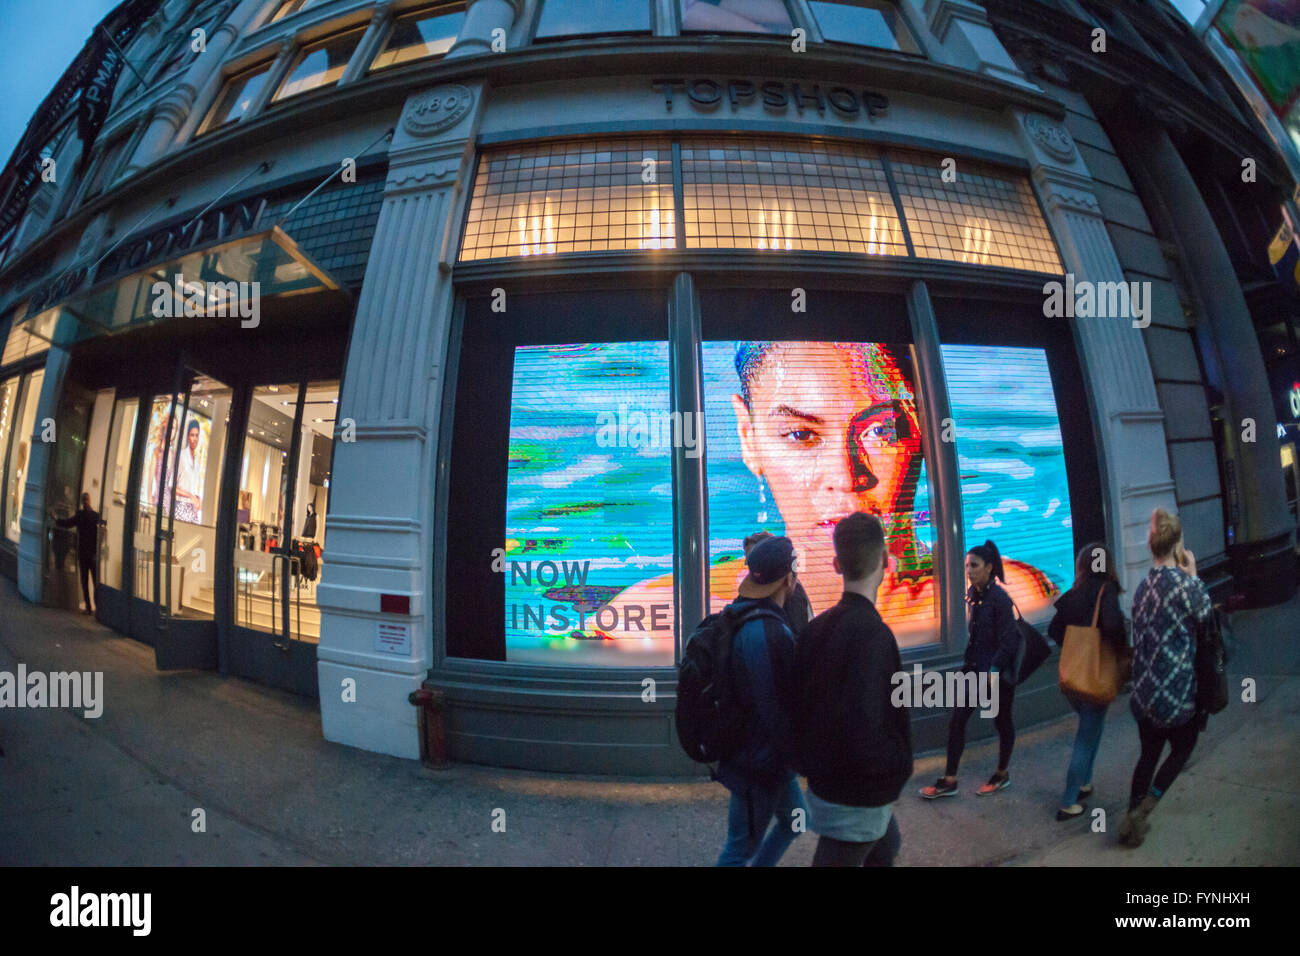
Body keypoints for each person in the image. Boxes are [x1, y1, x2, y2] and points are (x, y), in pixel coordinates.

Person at [608, 342, 1058, 645]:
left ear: (922, 432)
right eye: (801, 435)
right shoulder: (651, 619)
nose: (846, 476)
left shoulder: (1004, 597)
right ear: (748, 438)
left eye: (882, 430)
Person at [793, 512, 913, 866]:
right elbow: (867, 727)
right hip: (857, 794)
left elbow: (799, 705)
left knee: (887, 845)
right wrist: (897, 767)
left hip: (827, 785)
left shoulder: (816, 629)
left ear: (835, 564)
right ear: (885, 561)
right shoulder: (874, 635)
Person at [1119, 508, 1211, 848]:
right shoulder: (1189, 587)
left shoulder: (1142, 588)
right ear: (1178, 546)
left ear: (1151, 547)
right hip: (1176, 694)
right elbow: (1206, 621)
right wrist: (1194, 574)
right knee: (1183, 746)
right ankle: (1145, 809)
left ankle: (1130, 817)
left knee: (1148, 752)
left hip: (1143, 695)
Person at [715, 534, 807, 866]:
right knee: (740, 848)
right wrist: (803, 756)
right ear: (788, 578)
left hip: (764, 760)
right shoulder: (767, 632)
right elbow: (774, 711)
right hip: (760, 764)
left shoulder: (748, 616)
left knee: (797, 820)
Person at [920, 539, 1021, 798]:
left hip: (995, 676)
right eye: (966, 565)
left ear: (989, 567)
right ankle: (950, 780)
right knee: (957, 721)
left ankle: (1002, 773)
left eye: (974, 565)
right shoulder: (975, 596)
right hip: (975, 672)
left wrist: (995, 670)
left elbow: (1010, 640)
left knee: (1002, 723)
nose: (968, 570)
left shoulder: (999, 598)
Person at [1048, 541, 1127, 820]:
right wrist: (1119, 653)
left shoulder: (1075, 593)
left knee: (1092, 727)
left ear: (1082, 565)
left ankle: (1084, 782)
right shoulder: (1106, 591)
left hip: (1073, 676)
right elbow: (1114, 626)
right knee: (1086, 735)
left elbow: (1054, 629)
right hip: (1095, 676)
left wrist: (1076, 645)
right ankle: (1068, 801)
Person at [744, 529, 812, 635]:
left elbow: (798, 635)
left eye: (755, 560)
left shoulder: (790, 591)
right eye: (749, 562)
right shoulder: (761, 590)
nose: (752, 568)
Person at [54, 492, 104, 616]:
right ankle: (98, 609)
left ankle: (89, 607)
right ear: (89, 501)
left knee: (85, 581)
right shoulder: (96, 516)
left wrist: (56, 519)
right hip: (92, 554)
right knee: (95, 581)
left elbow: (68, 523)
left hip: (83, 553)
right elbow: (102, 532)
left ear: (82, 502)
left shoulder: (80, 515)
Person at [174, 418, 203, 523]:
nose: (195, 439)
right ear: (187, 437)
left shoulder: (197, 463)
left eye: (197, 435)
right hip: (181, 506)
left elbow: (193, 487)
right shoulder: (181, 456)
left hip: (193, 510)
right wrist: (190, 496)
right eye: (192, 435)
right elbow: (173, 487)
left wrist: (198, 498)